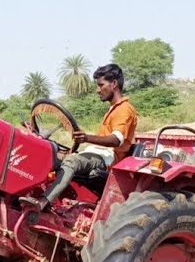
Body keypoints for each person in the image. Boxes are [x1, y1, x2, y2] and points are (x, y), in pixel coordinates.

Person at [24, 63, 138, 209]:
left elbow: (116, 140)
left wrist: (86, 138)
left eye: (101, 85)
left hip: (107, 158)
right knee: (49, 153)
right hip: (97, 153)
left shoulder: (124, 110)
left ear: (114, 84)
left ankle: (43, 202)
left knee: (72, 161)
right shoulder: (114, 109)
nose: (98, 90)